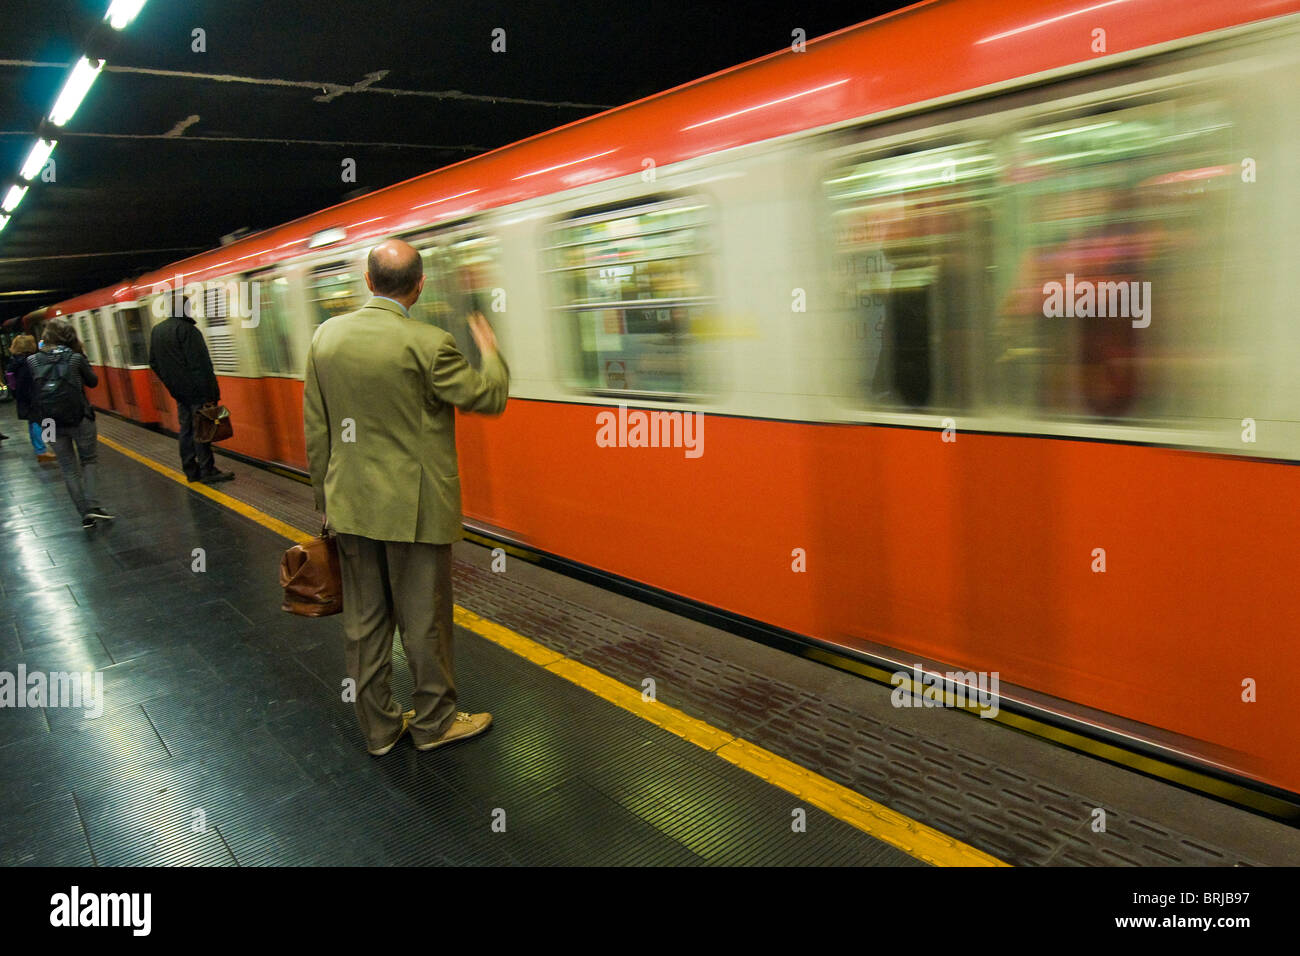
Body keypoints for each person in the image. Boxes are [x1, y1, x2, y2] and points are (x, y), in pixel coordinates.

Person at [304, 238, 509, 756]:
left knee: (365, 621)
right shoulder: (429, 343)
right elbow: (488, 396)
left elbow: (317, 428)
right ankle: (436, 723)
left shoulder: (325, 337)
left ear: (368, 282)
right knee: (424, 620)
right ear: (419, 286)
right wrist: (489, 350)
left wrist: (324, 499)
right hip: (413, 510)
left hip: (349, 504)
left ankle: (378, 730)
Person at [27, 319, 115, 529]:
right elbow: (93, 381)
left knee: (67, 467)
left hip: (49, 421)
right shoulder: (75, 358)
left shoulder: (32, 361)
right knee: (89, 460)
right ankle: (93, 504)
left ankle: (85, 515)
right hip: (79, 416)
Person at [147, 295, 234, 484]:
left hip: (179, 393)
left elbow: (153, 362)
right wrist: (212, 394)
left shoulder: (157, 331)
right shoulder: (188, 331)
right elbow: (201, 366)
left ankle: (191, 471)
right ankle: (207, 471)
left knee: (186, 431)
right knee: (202, 430)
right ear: (185, 308)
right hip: (198, 391)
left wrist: (172, 384)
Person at [6, 334, 56, 462]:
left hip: (23, 398)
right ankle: (44, 450)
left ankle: (41, 449)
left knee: (33, 422)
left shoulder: (14, 361)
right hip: (33, 397)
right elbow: (28, 381)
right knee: (42, 421)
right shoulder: (27, 362)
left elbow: (13, 383)